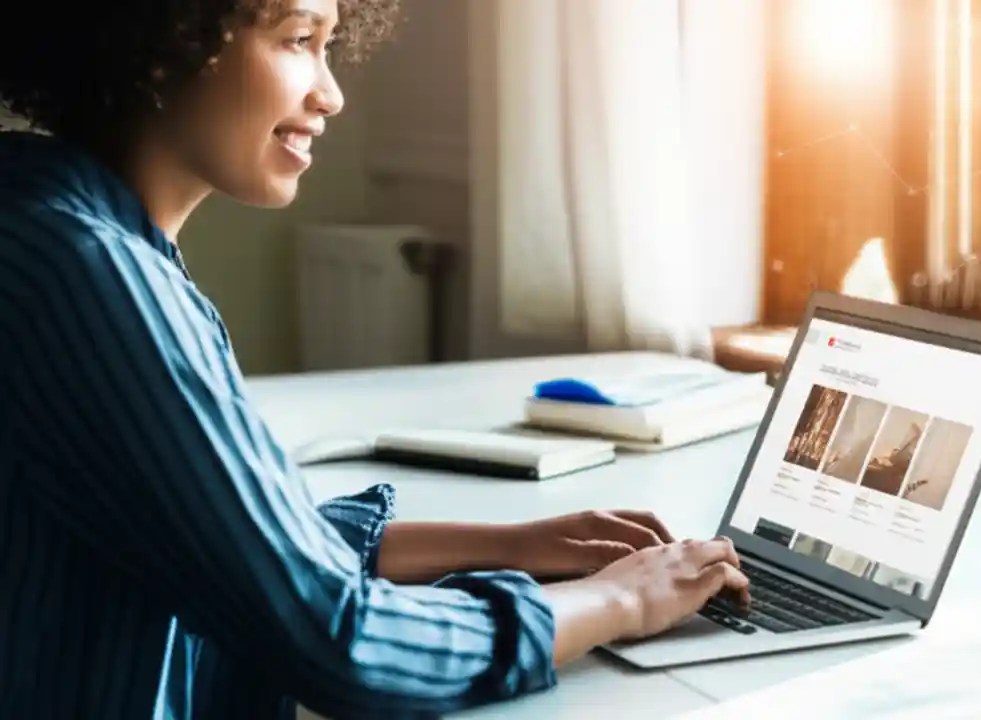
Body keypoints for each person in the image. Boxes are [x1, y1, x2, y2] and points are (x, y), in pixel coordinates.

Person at [0, 1, 749, 717]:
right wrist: (624, 601)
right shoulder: (92, 274)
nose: (331, 94)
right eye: (299, 40)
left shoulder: (43, 214)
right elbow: (340, 642)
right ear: (161, 39)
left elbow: (229, 542)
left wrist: (518, 543)